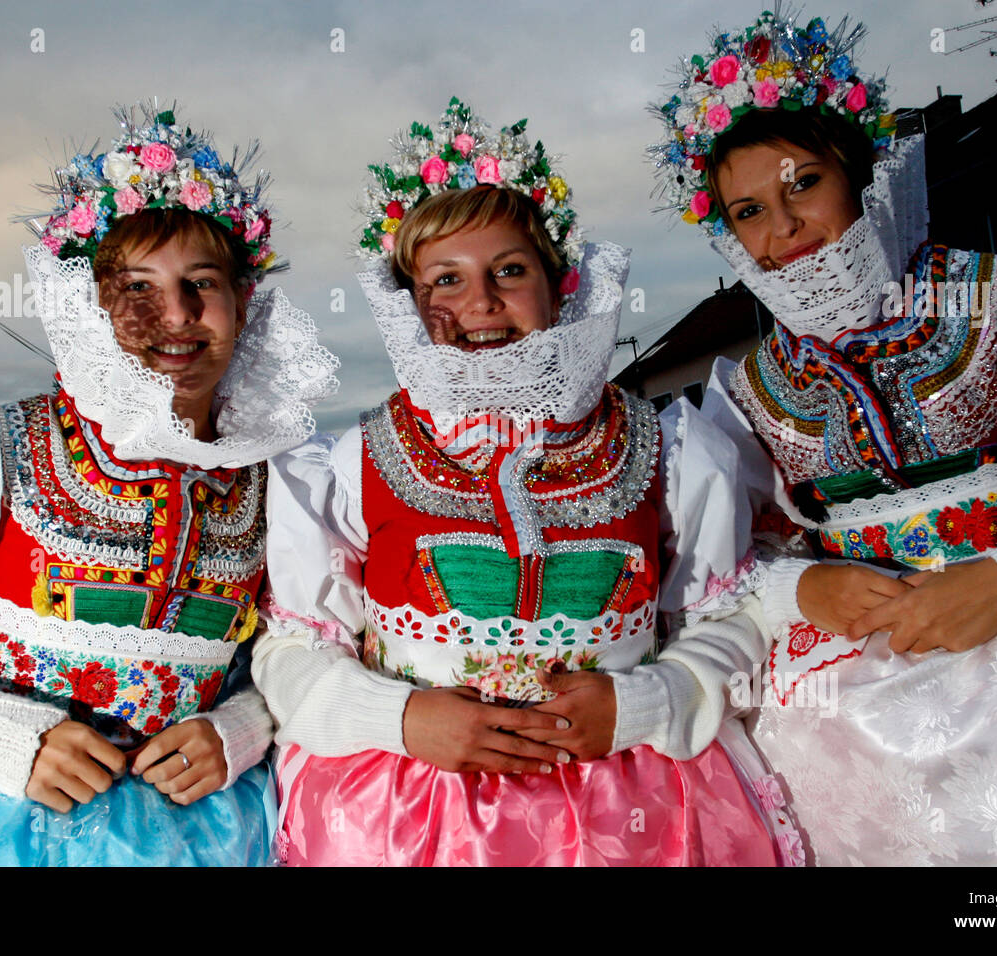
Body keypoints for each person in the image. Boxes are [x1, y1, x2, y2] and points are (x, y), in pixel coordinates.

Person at [253, 98, 803, 866]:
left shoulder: (669, 448)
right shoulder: (350, 464)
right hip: (411, 814)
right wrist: (405, 719)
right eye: (446, 279)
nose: (480, 302)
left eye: (509, 270)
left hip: (634, 812)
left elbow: (732, 619)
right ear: (411, 306)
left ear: (559, 285)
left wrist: (646, 703)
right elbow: (292, 653)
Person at [651, 11, 997, 864]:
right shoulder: (749, 393)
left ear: (861, 172)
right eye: (749, 211)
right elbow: (720, 580)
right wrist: (804, 592)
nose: (785, 226)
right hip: (860, 703)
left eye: (803, 183)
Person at [0, 103, 337, 866]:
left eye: (202, 281)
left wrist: (233, 732)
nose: (176, 315)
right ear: (92, 306)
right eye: (137, 287)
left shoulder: (277, 480)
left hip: (196, 836)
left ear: (245, 301)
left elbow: (279, 664)